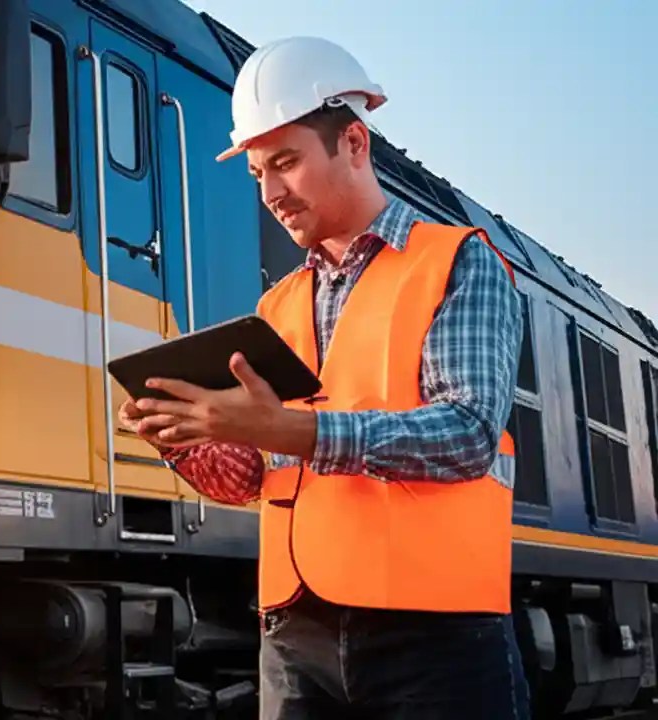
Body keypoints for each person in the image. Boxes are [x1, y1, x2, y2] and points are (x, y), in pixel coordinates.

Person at [118, 36, 531, 719]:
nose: (271, 194)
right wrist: (184, 436)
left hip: (434, 632)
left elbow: (467, 434)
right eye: (258, 174)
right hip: (294, 635)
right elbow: (255, 477)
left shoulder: (457, 262)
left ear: (354, 143)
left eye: (286, 163)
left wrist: (293, 429)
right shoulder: (276, 306)